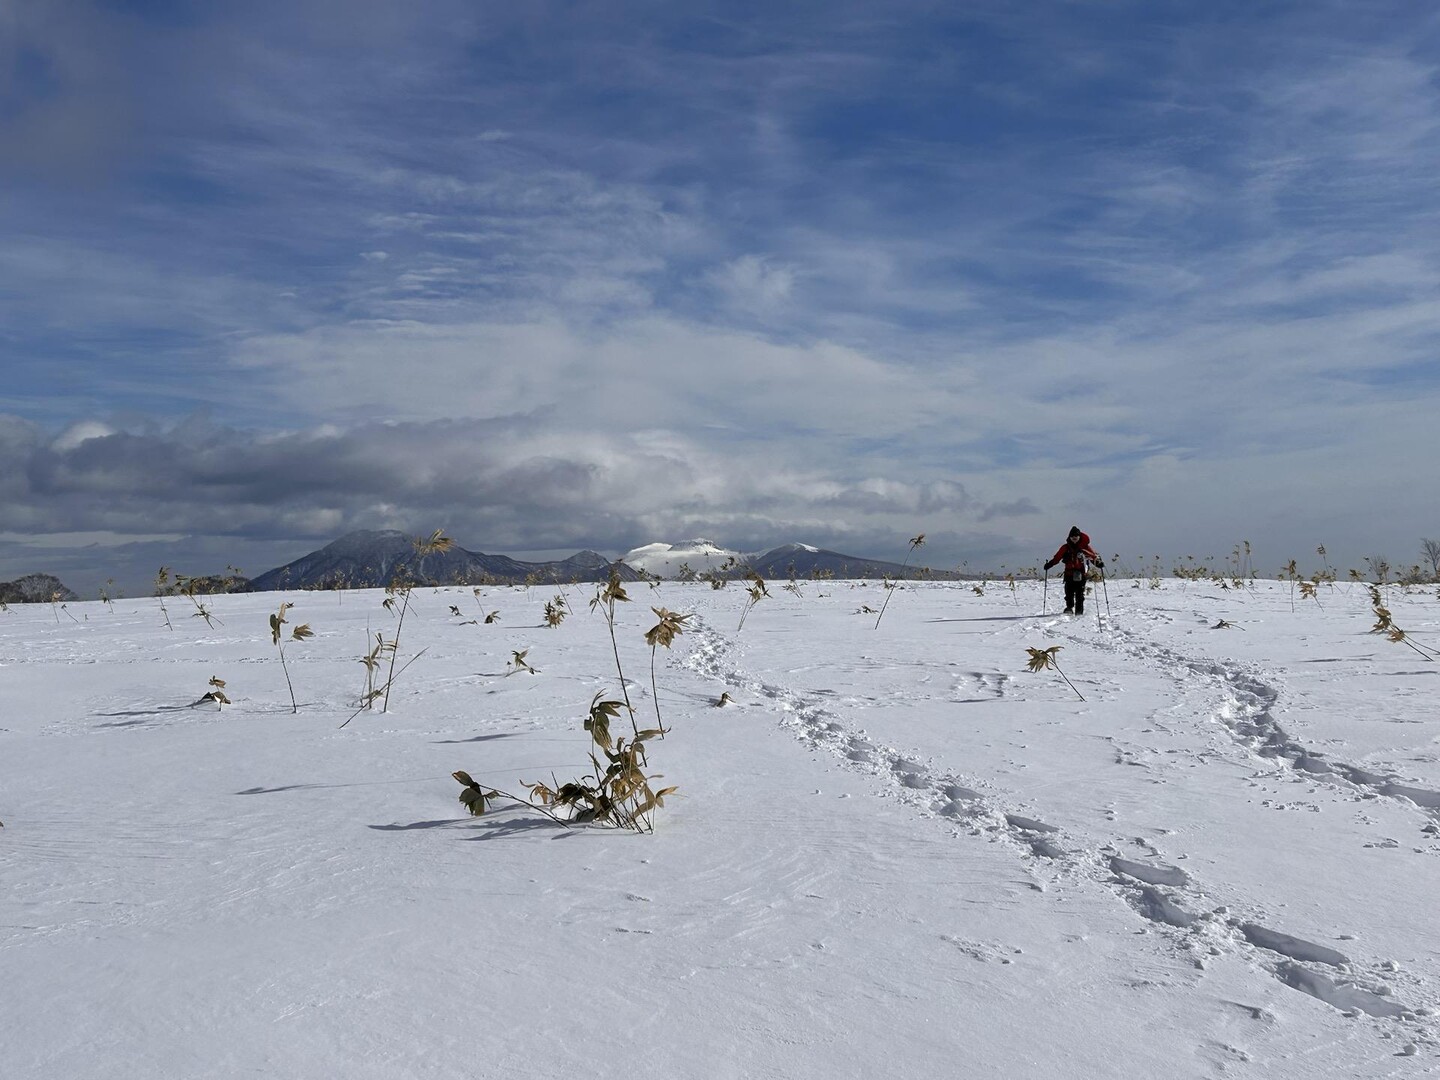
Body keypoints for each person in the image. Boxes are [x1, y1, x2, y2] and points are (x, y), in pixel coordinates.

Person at [1044, 526, 1103, 615]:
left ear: (1079, 536)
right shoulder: (1065, 548)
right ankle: (1069, 608)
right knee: (1069, 592)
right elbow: (1057, 558)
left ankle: (1079, 612)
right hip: (1069, 574)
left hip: (1081, 574)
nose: (1074, 537)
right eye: (1072, 536)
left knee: (1079, 594)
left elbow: (1093, 558)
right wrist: (1050, 564)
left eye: (1076, 536)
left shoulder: (1085, 547)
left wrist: (1098, 564)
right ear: (1069, 537)